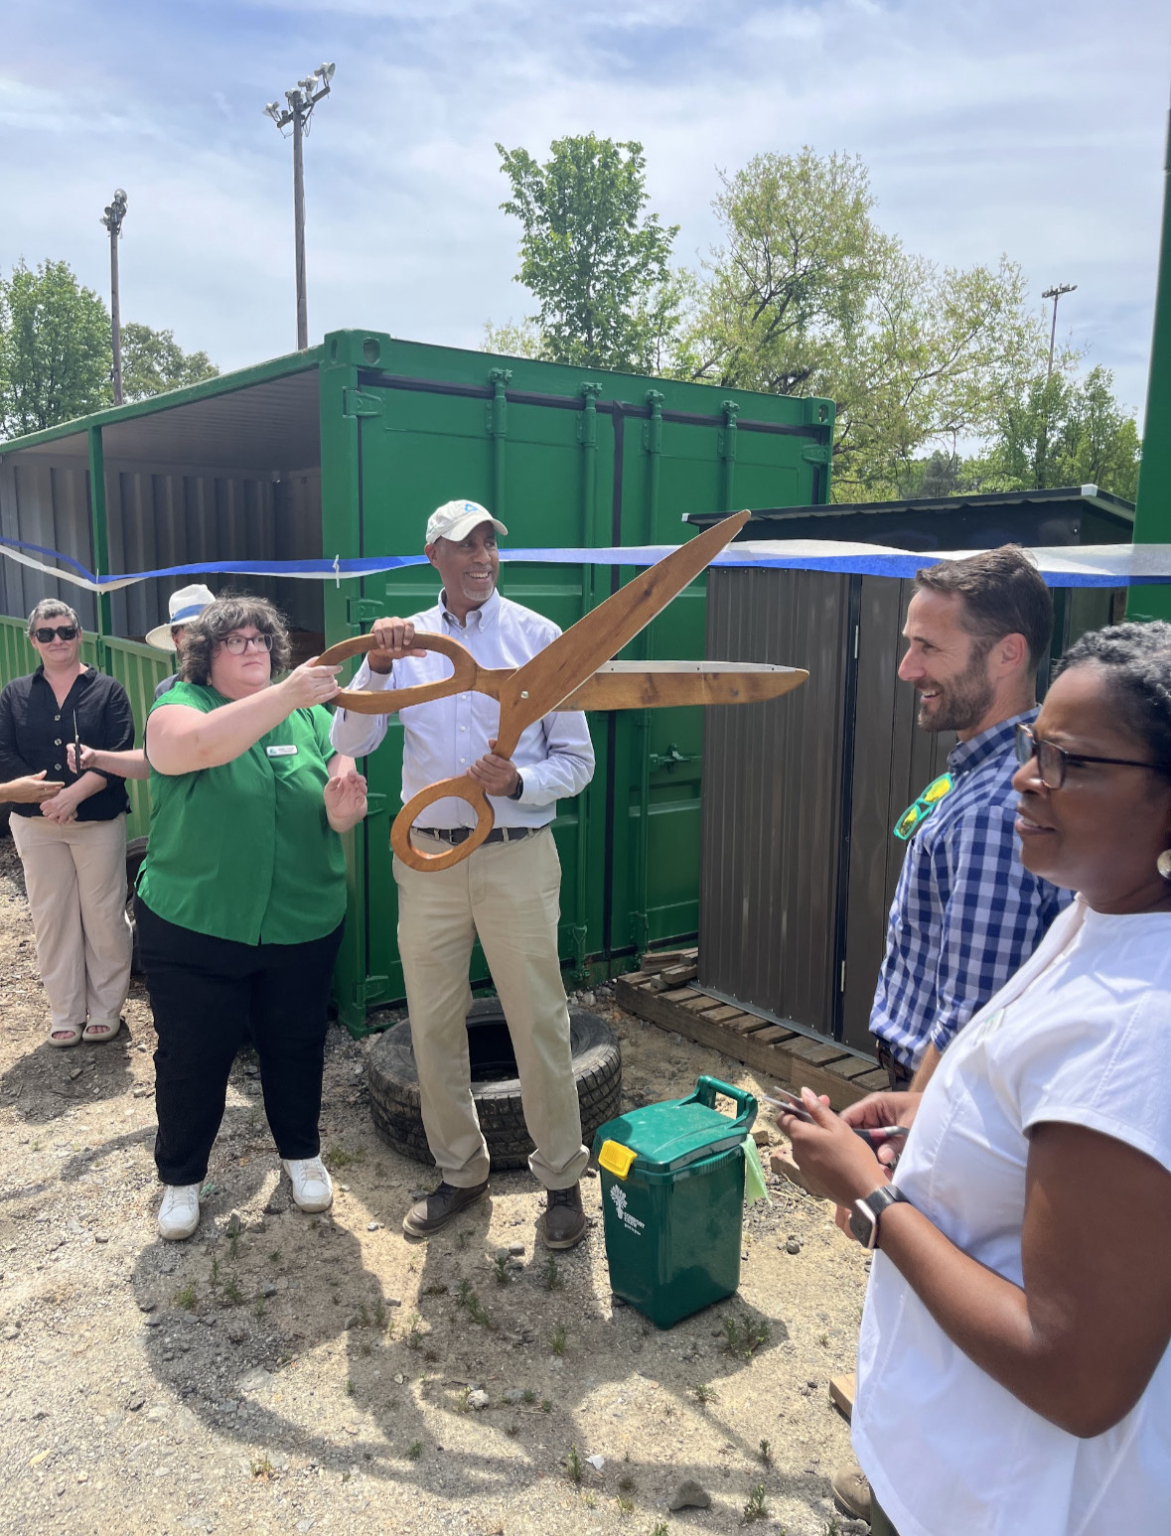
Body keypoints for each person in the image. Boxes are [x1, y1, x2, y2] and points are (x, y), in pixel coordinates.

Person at [781, 620, 1171, 1536]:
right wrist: (941, 1114)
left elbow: (1073, 1376)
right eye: (1035, 746)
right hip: (961, 1457)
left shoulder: (1136, 1026)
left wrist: (872, 1199)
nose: (1026, 777)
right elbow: (1048, 1123)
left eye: (1068, 760)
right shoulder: (1100, 909)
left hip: (1013, 1499)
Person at [330, 499, 596, 1248]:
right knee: (433, 1021)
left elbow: (577, 763)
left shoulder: (540, 640)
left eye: (489, 544)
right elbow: (350, 735)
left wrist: (517, 783)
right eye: (464, 545)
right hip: (430, 860)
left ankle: (561, 1184)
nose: (481, 556)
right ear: (432, 556)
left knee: (538, 1020)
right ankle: (460, 1173)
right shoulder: (404, 643)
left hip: (516, 855)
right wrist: (376, 665)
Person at [135, 596, 367, 1241]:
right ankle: (182, 1179)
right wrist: (290, 694)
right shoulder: (179, 709)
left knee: (295, 1044)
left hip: (301, 919)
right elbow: (196, 748)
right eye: (235, 641)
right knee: (192, 1055)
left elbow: (339, 797)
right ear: (202, 658)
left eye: (262, 638)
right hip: (195, 922)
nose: (253, 648)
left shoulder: (314, 718)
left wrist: (344, 809)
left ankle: (302, 1157)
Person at [870, 547, 1072, 1095]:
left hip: (941, 1090)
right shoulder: (996, 772)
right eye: (910, 644)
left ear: (1008, 654)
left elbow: (974, 1013)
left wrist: (911, 1128)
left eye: (928, 647)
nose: (907, 669)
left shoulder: (997, 805)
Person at [0, 599, 135, 1047]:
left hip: (97, 817)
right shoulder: (15, 693)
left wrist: (75, 794)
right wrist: (45, 800)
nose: (56, 640)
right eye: (46, 633)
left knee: (103, 915)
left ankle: (105, 1008)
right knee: (52, 916)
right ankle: (66, 1010)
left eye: (65, 631)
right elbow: (5, 752)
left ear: (79, 635)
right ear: (33, 640)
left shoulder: (109, 690)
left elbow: (120, 748)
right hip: (35, 823)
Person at [69, 583, 216, 783]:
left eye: (211, 628)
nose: (202, 637)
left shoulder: (247, 687)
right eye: (192, 629)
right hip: (181, 810)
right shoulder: (167, 691)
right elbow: (152, 761)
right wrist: (97, 758)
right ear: (175, 637)